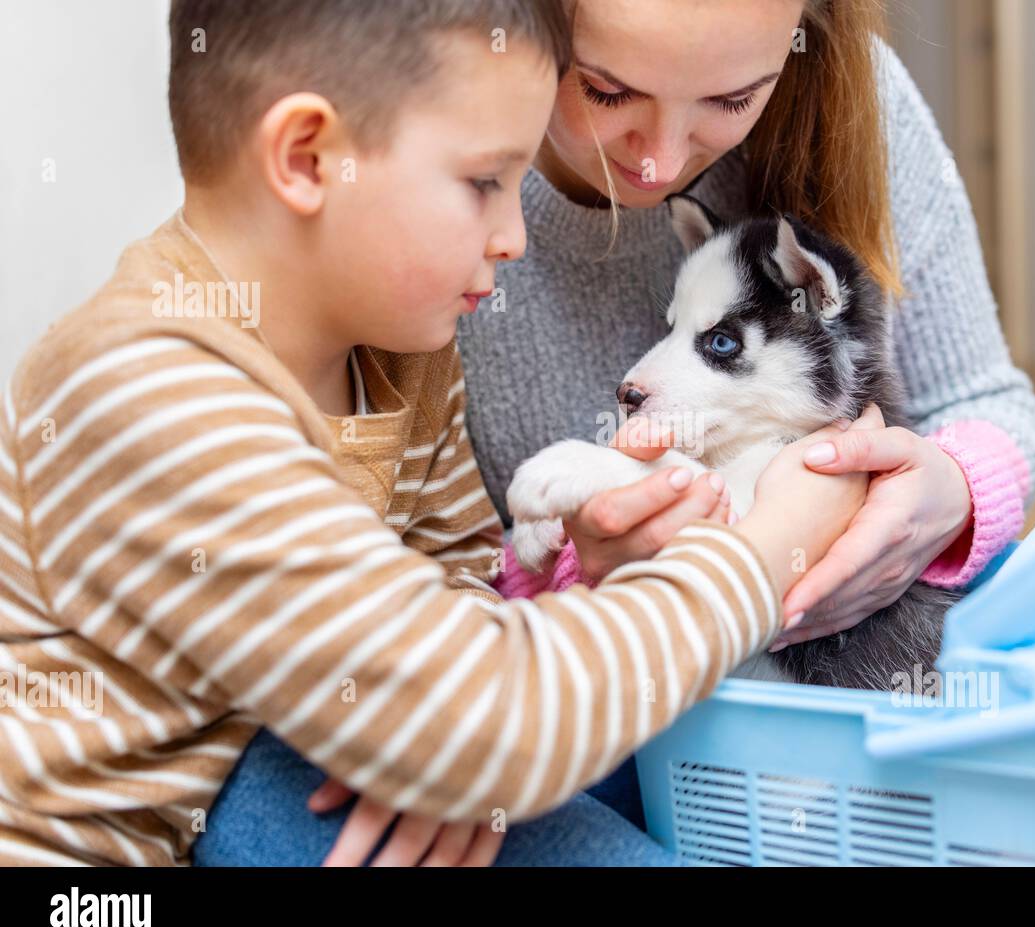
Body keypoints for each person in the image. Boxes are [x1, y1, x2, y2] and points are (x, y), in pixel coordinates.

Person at [0, 0, 870, 868]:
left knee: (670, 758)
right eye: (486, 182)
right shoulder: (149, 387)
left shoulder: (401, 359)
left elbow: (462, 588)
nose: (515, 237)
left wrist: (460, 757)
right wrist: (763, 553)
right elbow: (479, 712)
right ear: (308, 158)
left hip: (338, 755)